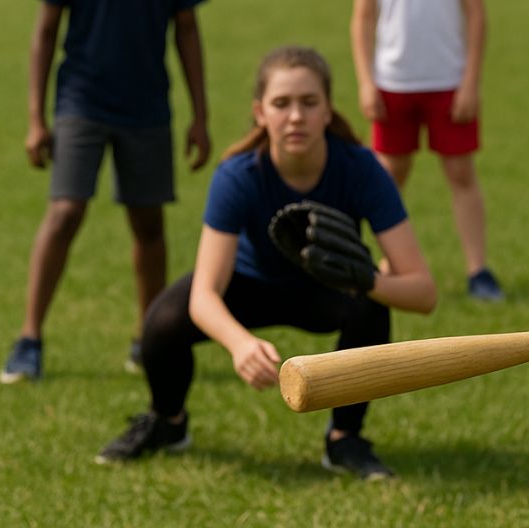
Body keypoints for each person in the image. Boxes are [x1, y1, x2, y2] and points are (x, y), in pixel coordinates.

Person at [95, 46, 436, 480]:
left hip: (324, 289)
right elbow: (204, 294)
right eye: (282, 104)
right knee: (161, 323)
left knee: (369, 307)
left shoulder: (361, 169)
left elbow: (424, 293)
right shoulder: (239, 174)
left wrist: (367, 280)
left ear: (328, 111)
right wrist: (239, 344)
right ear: (260, 113)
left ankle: (344, 440)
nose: (296, 116)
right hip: (250, 285)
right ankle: (167, 422)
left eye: (309, 103)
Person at [0, 0, 211, 384]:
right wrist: (35, 118)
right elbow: (45, 34)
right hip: (82, 103)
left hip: (147, 109)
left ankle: (151, 337)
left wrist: (201, 115)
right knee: (65, 212)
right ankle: (29, 339)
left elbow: (187, 33)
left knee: (147, 224)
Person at [347, 0, 503, 301]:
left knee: (460, 174)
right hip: (392, 82)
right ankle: (387, 265)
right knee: (388, 176)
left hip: (447, 82)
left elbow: (476, 14)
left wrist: (469, 81)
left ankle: (478, 270)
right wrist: (366, 80)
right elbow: (363, 17)